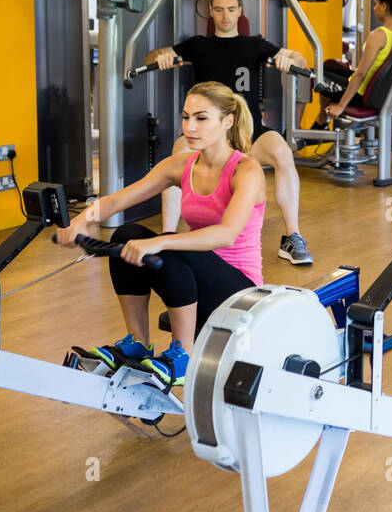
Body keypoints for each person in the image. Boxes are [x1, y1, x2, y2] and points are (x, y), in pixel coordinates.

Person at [55, 81, 266, 386]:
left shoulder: (246, 170)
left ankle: (184, 356)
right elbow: (119, 199)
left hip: (240, 292)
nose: (189, 126)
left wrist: (159, 240)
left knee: (167, 246)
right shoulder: (181, 165)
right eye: (186, 117)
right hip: (196, 281)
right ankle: (138, 343)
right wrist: (81, 222)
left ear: (227, 122)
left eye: (201, 118)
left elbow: (226, 234)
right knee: (125, 235)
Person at [145, 0, 312, 266]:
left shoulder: (255, 44)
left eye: (231, 9)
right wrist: (159, 57)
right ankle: (169, 237)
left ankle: (292, 237)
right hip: (208, 133)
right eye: (219, 9)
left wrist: (290, 57)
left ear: (240, 11)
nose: (225, 16)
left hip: (248, 131)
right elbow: (150, 58)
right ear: (211, 12)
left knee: (283, 154)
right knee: (178, 158)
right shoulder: (197, 45)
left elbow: (301, 60)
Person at [312, 0, 392, 126]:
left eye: (376, 4)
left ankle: (297, 134)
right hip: (376, 91)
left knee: (306, 75)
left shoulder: (378, 35)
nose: (374, 8)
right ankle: (322, 121)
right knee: (325, 68)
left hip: (361, 94)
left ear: (384, 6)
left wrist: (341, 106)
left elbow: (360, 74)